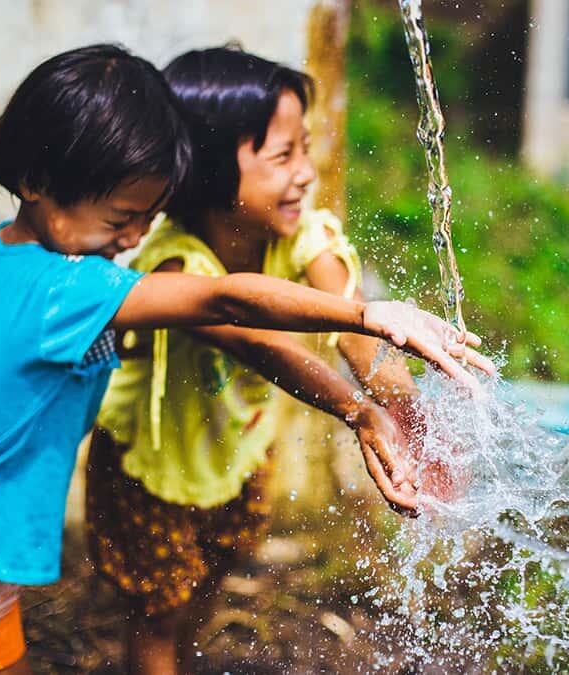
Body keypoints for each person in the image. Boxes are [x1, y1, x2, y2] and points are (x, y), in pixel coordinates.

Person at [0, 44, 490, 675]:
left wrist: (394, 401)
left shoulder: (7, 258)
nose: (130, 242)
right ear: (37, 184)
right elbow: (230, 305)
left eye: (143, 218)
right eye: (122, 219)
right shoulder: (66, 288)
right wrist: (367, 316)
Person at [86, 45, 456, 674]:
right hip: (148, 462)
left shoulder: (304, 236)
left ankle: (183, 657)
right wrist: (356, 412)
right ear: (206, 170)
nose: (306, 173)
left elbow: (355, 329)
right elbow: (261, 344)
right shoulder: (176, 266)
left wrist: (404, 407)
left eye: (305, 149)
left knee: (214, 574)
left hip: (240, 448)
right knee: (157, 609)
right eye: (283, 156)